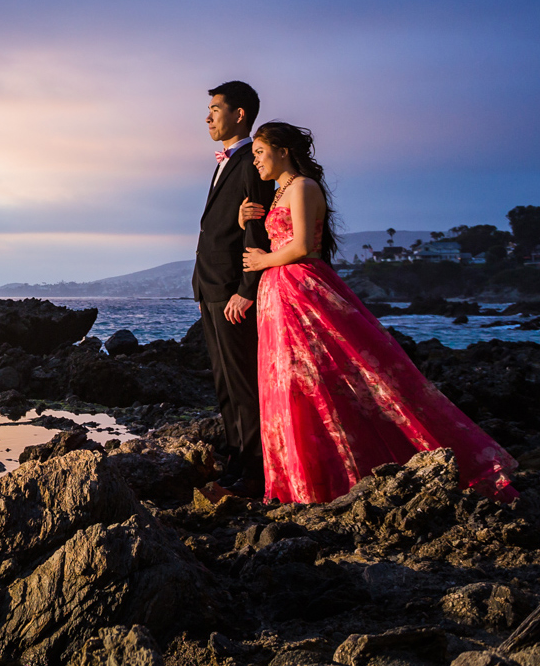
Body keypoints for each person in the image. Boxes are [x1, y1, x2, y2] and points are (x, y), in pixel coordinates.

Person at [238, 121, 517, 504]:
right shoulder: (281, 192)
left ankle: (345, 477)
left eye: (259, 152)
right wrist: (249, 224)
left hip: (301, 290)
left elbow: (303, 245)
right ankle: (302, 484)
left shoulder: (303, 186)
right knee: (292, 385)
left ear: (283, 150)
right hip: (280, 295)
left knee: (328, 381)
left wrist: (263, 260)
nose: (254, 161)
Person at [192, 81, 276, 496]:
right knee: (225, 381)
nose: (207, 117)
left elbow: (255, 231)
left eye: (215, 109)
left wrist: (246, 289)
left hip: (232, 289)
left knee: (242, 381)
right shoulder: (225, 162)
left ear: (239, 114)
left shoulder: (249, 163)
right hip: (209, 286)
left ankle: (253, 471)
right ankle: (235, 459)